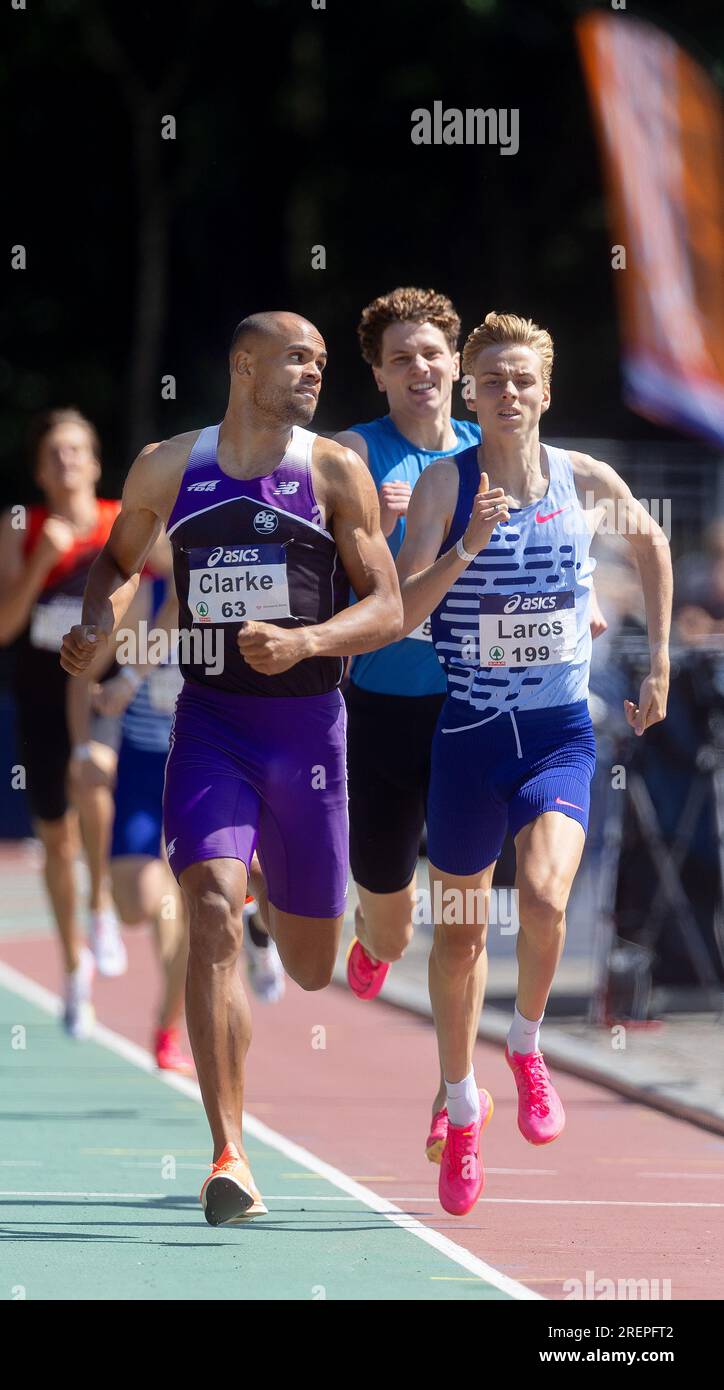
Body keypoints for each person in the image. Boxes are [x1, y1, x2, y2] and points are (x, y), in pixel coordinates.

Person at [62, 311, 403, 1225]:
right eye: (298, 359)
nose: (315, 374)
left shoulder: (333, 470)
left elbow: (389, 608)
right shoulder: (167, 466)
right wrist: (99, 622)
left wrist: (307, 643)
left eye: (323, 363)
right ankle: (229, 1151)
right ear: (243, 365)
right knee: (207, 903)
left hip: (311, 736)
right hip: (211, 723)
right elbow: (117, 565)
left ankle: (271, 917)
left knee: (312, 967)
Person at [396, 312, 672, 1215]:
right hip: (469, 744)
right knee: (463, 933)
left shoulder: (582, 480)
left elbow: (654, 546)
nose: (507, 394)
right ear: (470, 396)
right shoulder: (445, 485)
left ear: (546, 391)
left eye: (522, 380)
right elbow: (403, 609)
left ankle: (524, 1042)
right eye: (491, 382)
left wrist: (660, 659)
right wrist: (469, 541)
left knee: (549, 896)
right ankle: (464, 1107)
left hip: (559, 731)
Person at [333, 287, 481, 1162]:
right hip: (380, 709)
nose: (419, 369)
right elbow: (320, 580)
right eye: (401, 358)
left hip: (474, 711)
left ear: (456, 364)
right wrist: (381, 529)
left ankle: (453, 1100)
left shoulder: (489, 451)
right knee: (394, 925)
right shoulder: (354, 454)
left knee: (463, 926)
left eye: (432, 353)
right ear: (379, 375)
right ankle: (373, 934)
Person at [0, 409, 127, 1036]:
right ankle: (74, 965)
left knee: (94, 776)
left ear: (95, 462)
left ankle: (100, 905)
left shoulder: (120, 519)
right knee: (55, 839)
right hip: (40, 691)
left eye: (78, 449)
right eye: (54, 452)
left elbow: (158, 593)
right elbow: (1, 627)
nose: (67, 461)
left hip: (101, 686)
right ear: (40, 468)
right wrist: (39, 564)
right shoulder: (21, 525)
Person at [82, 563, 193, 1071]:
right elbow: (86, 676)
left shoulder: (235, 583)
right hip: (145, 765)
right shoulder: (140, 597)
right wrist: (90, 744)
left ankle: (168, 1027)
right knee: (138, 903)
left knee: (203, 911)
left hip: (207, 765)